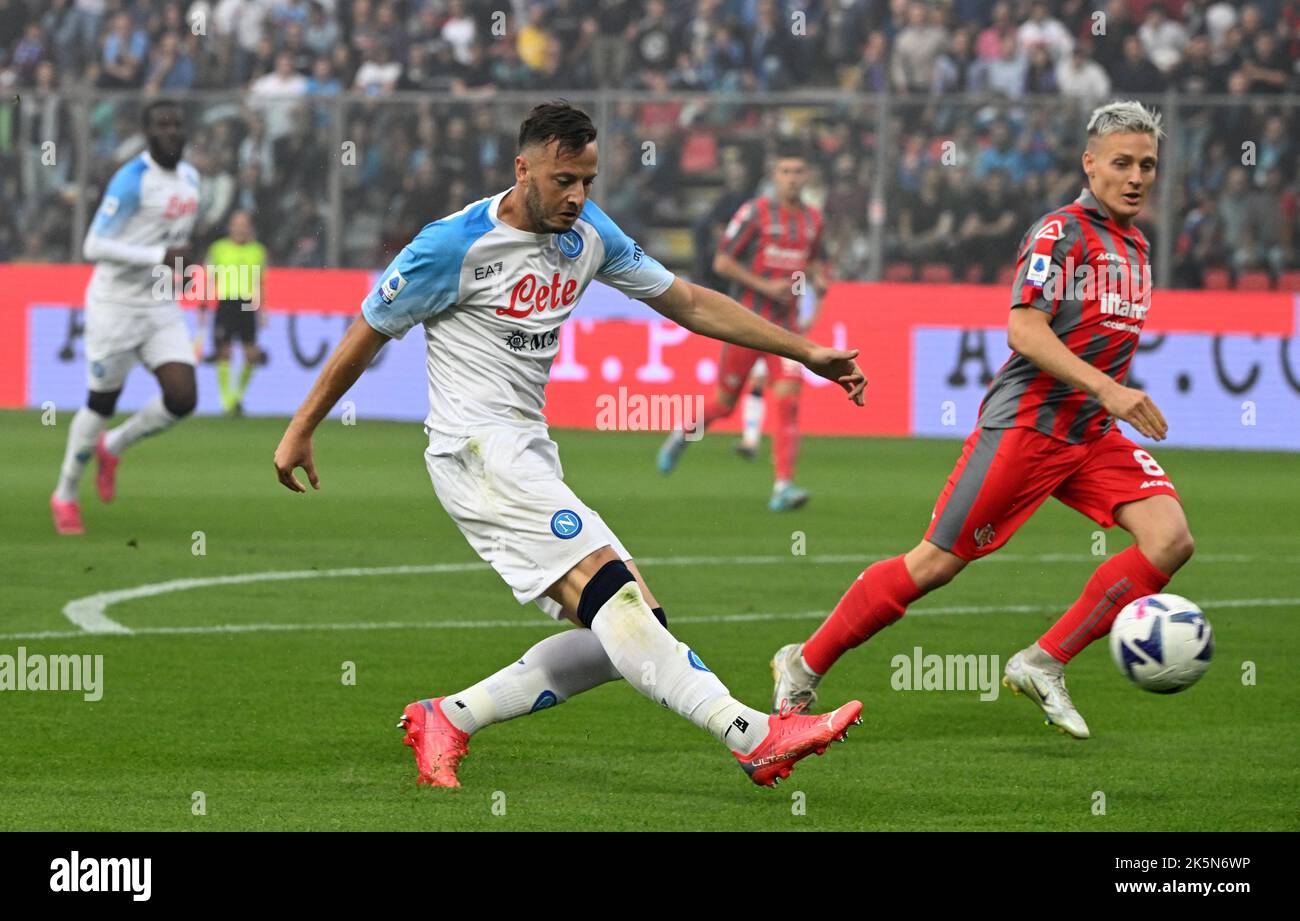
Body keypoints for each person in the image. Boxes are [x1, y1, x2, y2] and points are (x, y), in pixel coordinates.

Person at [273, 102, 867, 788]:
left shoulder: (588, 232)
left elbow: (691, 302)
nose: (576, 195)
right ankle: (753, 734)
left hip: (526, 449)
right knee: (617, 603)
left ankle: (451, 715)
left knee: (634, 626)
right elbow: (369, 327)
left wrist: (806, 351)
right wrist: (302, 426)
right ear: (523, 169)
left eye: (587, 178)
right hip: (476, 452)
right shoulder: (451, 244)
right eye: (562, 179)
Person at [771, 100, 1194, 740]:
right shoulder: (1062, 233)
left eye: (1148, 165)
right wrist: (1109, 389)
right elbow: (1024, 329)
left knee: (1169, 539)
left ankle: (1042, 661)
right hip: (1027, 425)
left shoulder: (1135, 245)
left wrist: (1102, 400)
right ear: (1090, 165)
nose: (1136, 176)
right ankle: (804, 662)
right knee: (934, 565)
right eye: (1122, 163)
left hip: (1088, 434)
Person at [656, 141, 830, 511]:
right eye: (786, 172)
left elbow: (812, 261)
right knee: (724, 403)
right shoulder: (755, 214)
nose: (793, 179)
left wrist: (818, 281)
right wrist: (766, 286)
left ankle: (783, 485)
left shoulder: (814, 220)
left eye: (799, 172)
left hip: (785, 330)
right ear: (774, 176)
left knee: (788, 402)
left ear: (808, 176)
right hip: (746, 323)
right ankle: (684, 434)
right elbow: (722, 262)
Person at [52, 100, 199, 534]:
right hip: (114, 306)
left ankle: (113, 445)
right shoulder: (131, 180)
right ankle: (64, 493)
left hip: (158, 303)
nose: (171, 131)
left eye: (177, 124)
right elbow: (93, 247)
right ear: (147, 133)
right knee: (102, 402)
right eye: (162, 125)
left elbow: (177, 242)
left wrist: (180, 271)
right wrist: (159, 256)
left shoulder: (192, 180)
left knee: (183, 398)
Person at [206, 210, 268, 415]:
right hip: (225, 302)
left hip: (247, 302)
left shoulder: (258, 251)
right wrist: (205, 301)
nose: (240, 228)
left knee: (251, 353)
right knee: (224, 351)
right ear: (230, 226)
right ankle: (227, 401)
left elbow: (260, 282)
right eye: (237, 223)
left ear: (249, 227)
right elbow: (209, 277)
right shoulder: (218, 248)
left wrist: (263, 310)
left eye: (244, 224)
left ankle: (238, 396)